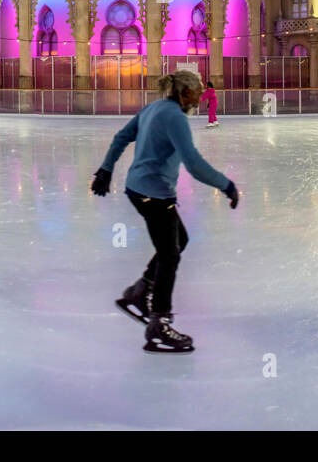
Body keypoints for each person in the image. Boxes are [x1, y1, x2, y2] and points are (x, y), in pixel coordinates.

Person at [91, 70, 240, 353]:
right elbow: (193, 164)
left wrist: (106, 169)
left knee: (177, 241)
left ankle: (139, 291)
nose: (200, 95)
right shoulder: (174, 117)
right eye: (197, 90)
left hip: (140, 190)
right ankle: (159, 325)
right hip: (154, 194)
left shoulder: (154, 108)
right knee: (170, 254)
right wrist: (226, 184)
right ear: (184, 93)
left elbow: (121, 137)